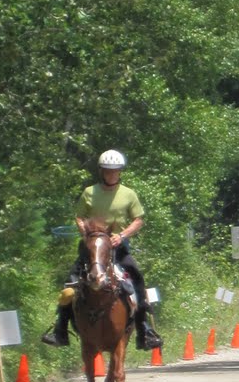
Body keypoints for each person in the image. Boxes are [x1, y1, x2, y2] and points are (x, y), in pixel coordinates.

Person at [41, 149, 163, 352]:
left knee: (138, 282)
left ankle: (144, 330)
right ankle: (60, 329)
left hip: (118, 247)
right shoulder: (89, 192)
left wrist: (122, 235)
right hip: (92, 248)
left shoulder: (128, 194)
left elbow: (138, 219)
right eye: (107, 171)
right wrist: (86, 233)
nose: (111, 174)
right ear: (101, 171)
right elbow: (79, 216)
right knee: (68, 288)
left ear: (120, 171)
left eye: (114, 171)